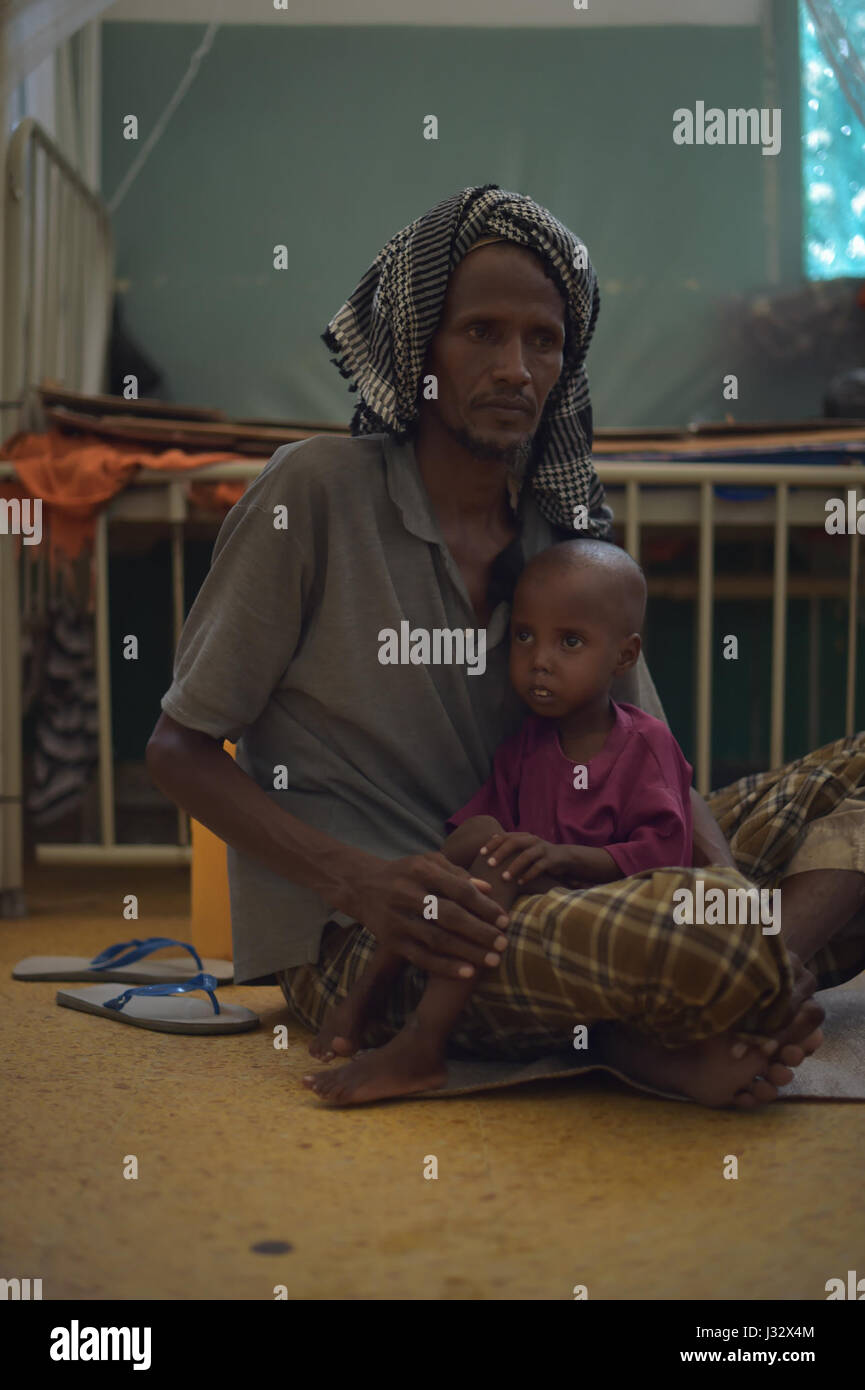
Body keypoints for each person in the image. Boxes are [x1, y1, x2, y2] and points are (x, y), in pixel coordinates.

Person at [147, 184, 865, 1112]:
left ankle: (739, 989)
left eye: (542, 341)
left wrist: (730, 896)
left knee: (744, 889)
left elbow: (668, 784)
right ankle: (699, 1007)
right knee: (705, 936)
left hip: (572, 873)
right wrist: (361, 884)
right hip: (392, 934)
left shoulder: (557, 540)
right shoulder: (313, 493)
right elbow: (177, 750)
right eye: (479, 332)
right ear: (419, 350)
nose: (515, 368)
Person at [302, 538, 699, 1104]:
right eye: (524, 636)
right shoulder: (524, 749)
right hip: (518, 916)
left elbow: (669, 858)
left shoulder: (646, 745)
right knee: (463, 852)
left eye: (570, 641)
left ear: (624, 655)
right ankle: (368, 990)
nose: (540, 658)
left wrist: (565, 856)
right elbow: (476, 837)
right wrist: (456, 863)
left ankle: (422, 1042)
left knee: (491, 852)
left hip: (610, 911)